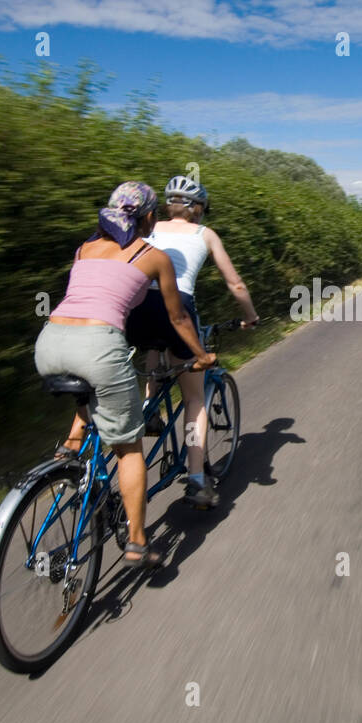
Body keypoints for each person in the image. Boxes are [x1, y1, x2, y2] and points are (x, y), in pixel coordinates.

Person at [35, 181, 215, 569]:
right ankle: (136, 542)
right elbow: (178, 317)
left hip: (49, 343)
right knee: (129, 447)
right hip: (97, 347)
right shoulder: (154, 256)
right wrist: (201, 355)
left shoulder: (83, 248)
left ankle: (69, 454)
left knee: (93, 400)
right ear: (149, 216)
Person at [125, 175, 258, 508]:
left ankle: (148, 407)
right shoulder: (205, 234)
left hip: (136, 307)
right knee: (194, 398)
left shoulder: (149, 228)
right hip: (177, 307)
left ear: (168, 205)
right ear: (198, 209)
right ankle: (197, 478)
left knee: (154, 342)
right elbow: (236, 284)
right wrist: (251, 316)